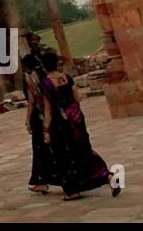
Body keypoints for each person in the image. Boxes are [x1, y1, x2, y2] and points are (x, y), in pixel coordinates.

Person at [40, 50, 117, 201]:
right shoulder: (67, 78)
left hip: (60, 124)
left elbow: (48, 108)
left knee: (64, 155)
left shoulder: (46, 83)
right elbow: (77, 97)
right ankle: (107, 176)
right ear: (57, 63)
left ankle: (72, 191)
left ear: (44, 66)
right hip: (76, 119)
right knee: (84, 150)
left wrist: (46, 130)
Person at [21, 33, 58, 194]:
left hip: (39, 116)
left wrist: (28, 119)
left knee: (40, 148)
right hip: (54, 115)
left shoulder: (31, 79)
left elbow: (32, 101)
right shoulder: (47, 77)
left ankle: (40, 181)